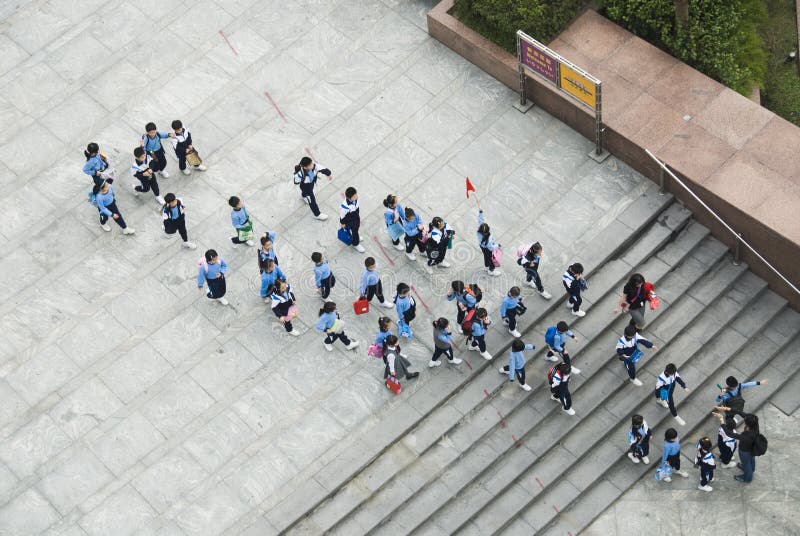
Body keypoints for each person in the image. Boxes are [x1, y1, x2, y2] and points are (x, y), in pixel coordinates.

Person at [716, 408, 760, 483]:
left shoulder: (747, 436)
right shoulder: (755, 423)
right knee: (751, 459)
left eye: (745, 420)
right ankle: (751, 469)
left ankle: (747, 478)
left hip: (745, 451)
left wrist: (722, 421)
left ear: (748, 423)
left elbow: (729, 434)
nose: (744, 419)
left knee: (746, 463)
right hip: (753, 448)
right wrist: (728, 409)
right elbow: (741, 413)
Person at [293, 156, 330, 220]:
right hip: (305, 187)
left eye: (311, 163)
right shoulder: (300, 174)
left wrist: (328, 173)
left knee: (308, 192)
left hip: (311, 183)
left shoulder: (315, 166)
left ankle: (304, 196)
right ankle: (317, 214)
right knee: (312, 200)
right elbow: (296, 181)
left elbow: (323, 169)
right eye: (310, 165)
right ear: (305, 167)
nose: (312, 165)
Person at [476, 207, 501, 276]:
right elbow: (490, 248)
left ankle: (487, 266)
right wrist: (497, 245)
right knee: (491, 259)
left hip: (482, 247)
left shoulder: (479, 231)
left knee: (486, 257)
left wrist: (481, 212)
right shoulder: (488, 239)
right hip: (488, 249)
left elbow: (480, 220)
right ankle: (491, 270)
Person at [340, 186, 365, 253]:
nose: (356, 196)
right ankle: (355, 244)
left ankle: (356, 237)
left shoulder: (355, 200)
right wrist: (342, 223)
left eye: (356, 194)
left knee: (356, 230)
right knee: (354, 231)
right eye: (354, 196)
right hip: (350, 221)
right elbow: (342, 216)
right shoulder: (345, 206)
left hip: (356, 218)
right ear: (349, 198)